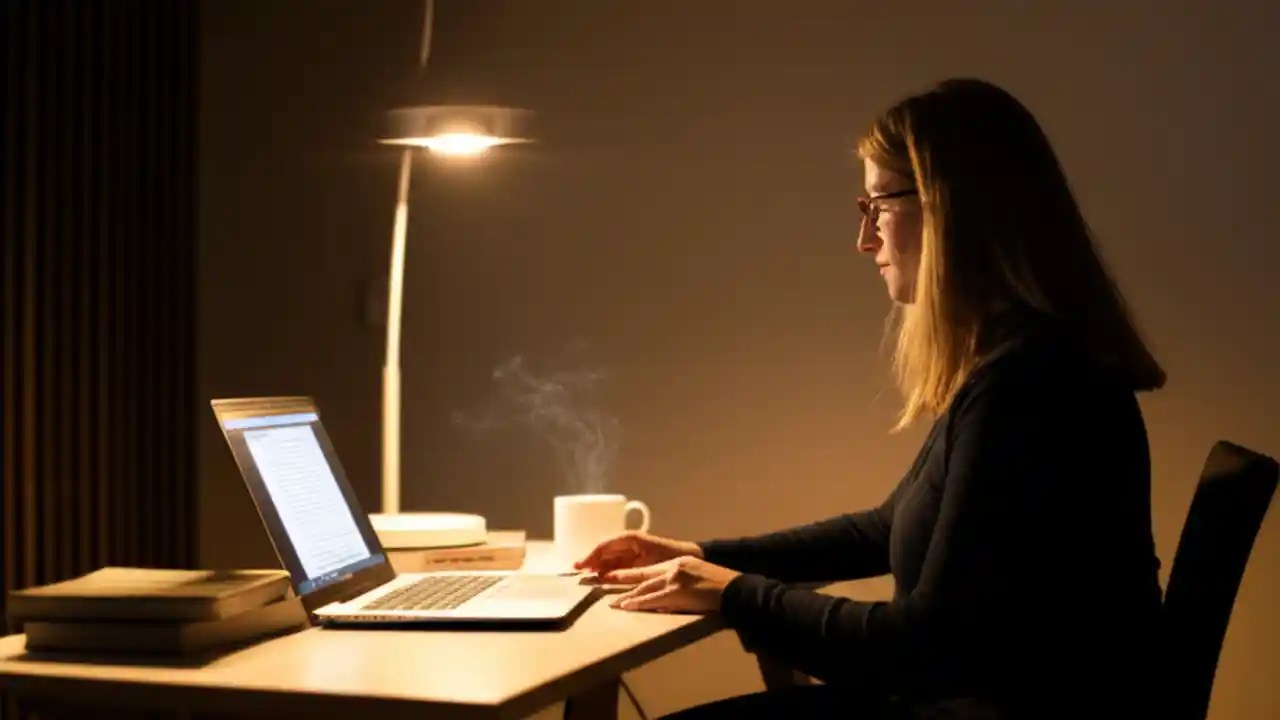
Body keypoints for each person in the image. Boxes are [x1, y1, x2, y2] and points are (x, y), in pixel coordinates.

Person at [575, 78, 1166, 719]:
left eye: (879, 204)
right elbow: (885, 528)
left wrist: (735, 594)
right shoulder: (1024, 365)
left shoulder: (1030, 387)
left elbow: (923, 646)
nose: (865, 240)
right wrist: (704, 558)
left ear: (952, 207)